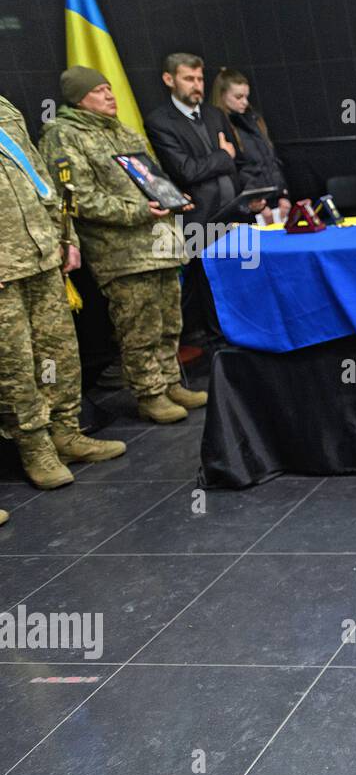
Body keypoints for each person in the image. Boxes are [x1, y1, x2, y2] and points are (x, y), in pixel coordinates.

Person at [40, 67, 205, 425]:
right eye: (100, 91)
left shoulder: (123, 130)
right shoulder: (64, 136)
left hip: (159, 243)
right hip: (122, 252)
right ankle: (150, 394)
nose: (110, 95)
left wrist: (174, 198)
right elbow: (77, 199)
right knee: (139, 328)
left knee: (168, 321)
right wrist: (137, 211)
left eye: (110, 88)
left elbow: (153, 179)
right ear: (79, 98)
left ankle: (170, 382)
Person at [1, 91, 125, 492]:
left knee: (59, 354)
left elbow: (39, 178)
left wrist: (65, 236)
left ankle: (66, 434)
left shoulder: (5, 108)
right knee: (17, 367)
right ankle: (35, 449)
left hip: (42, 254)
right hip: (5, 269)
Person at [145, 52, 261, 341]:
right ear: (169, 80)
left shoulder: (214, 114)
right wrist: (223, 156)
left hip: (236, 213)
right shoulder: (160, 121)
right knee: (211, 286)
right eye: (189, 78)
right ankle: (218, 346)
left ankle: (248, 335)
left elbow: (240, 163)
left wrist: (252, 193)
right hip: (200, 218)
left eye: (200, 78)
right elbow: (185, 171)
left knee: (246, 278)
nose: (197, 85)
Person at [209, 67, 291, 223]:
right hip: (249, 209)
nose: (245, 102)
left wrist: (284, 195)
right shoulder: (219, 126)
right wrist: (256, 203)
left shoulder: (254, 120)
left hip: (275, 204)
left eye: (246, 96)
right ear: (222, 95)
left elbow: (271, 161)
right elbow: (238, 170)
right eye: (238, 97)